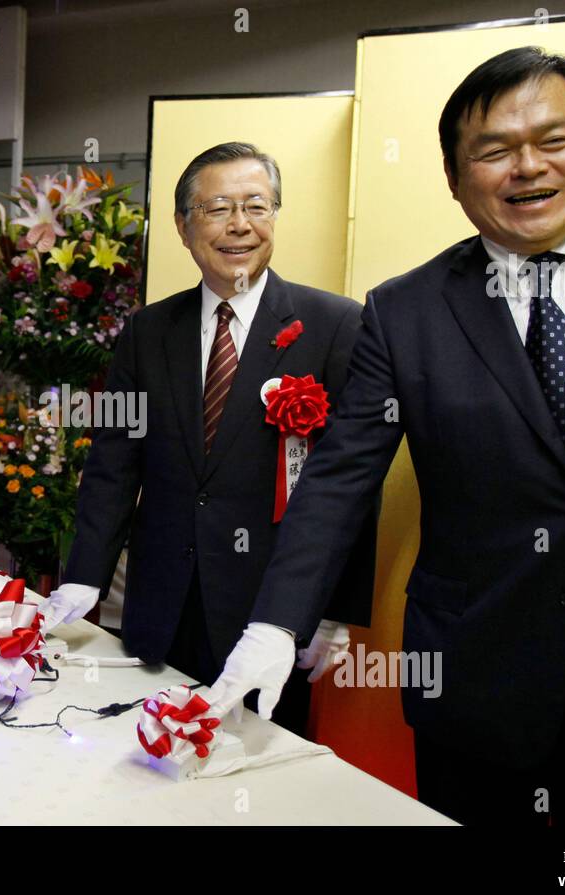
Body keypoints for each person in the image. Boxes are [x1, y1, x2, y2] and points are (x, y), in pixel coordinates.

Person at [209, 47, 565, 825]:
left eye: (554, 139)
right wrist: (273, 625)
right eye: (493, 151)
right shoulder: (405, 310)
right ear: (457, 179)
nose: (528, 168)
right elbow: (339, 479)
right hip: (482, 679)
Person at [41, 142, 378, 734]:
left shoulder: (336, 326)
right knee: (149, 756)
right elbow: (114, 462)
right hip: (160, 603)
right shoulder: (148, 331)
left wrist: (333, 611)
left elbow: (353, 483)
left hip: (271, 611)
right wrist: (83, 573)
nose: (240, 225)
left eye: (257, 205)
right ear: (182, 225)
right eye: (218, 207)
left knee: (257, 771)